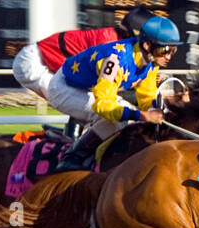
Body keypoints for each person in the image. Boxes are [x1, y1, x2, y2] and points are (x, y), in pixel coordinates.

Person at [49, 15, 182, 172]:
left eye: (173, 50)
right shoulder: (115, 60)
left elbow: (146, 98)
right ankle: (72, 157)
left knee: (124, 116)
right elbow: (103, 105)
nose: (168, 56)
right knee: (116, 119)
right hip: (63, 88)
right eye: (165, 49)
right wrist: (141, 116)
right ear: (147, 45)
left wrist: (168, 108)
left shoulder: (151, 63)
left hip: (87, 87)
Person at [12, 6, 155, 100]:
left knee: (84, 101)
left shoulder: (116, 40)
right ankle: (71, 144)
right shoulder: (109, 43)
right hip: (34, 62)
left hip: (40, 59)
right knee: (84, 103)